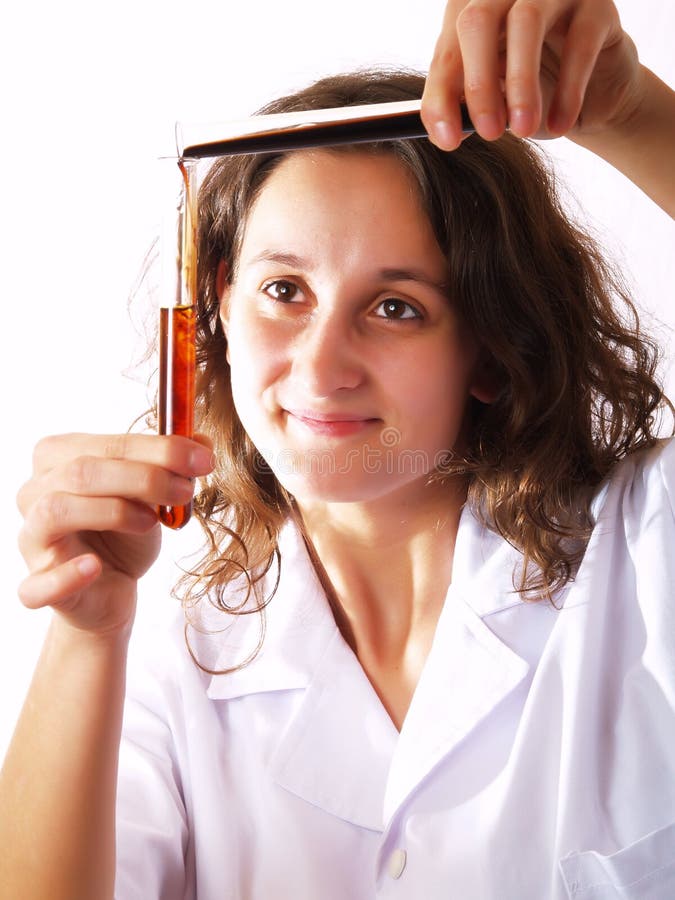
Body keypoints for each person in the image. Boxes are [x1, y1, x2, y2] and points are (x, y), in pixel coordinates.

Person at [2, 1, 674, 898]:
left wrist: (633, 115)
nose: (320, 368)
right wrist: (86, 639)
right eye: (284, 290)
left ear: (488, 348)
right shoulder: (171, 665)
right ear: (218, 307)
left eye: (395, 307)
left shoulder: (642, 554)